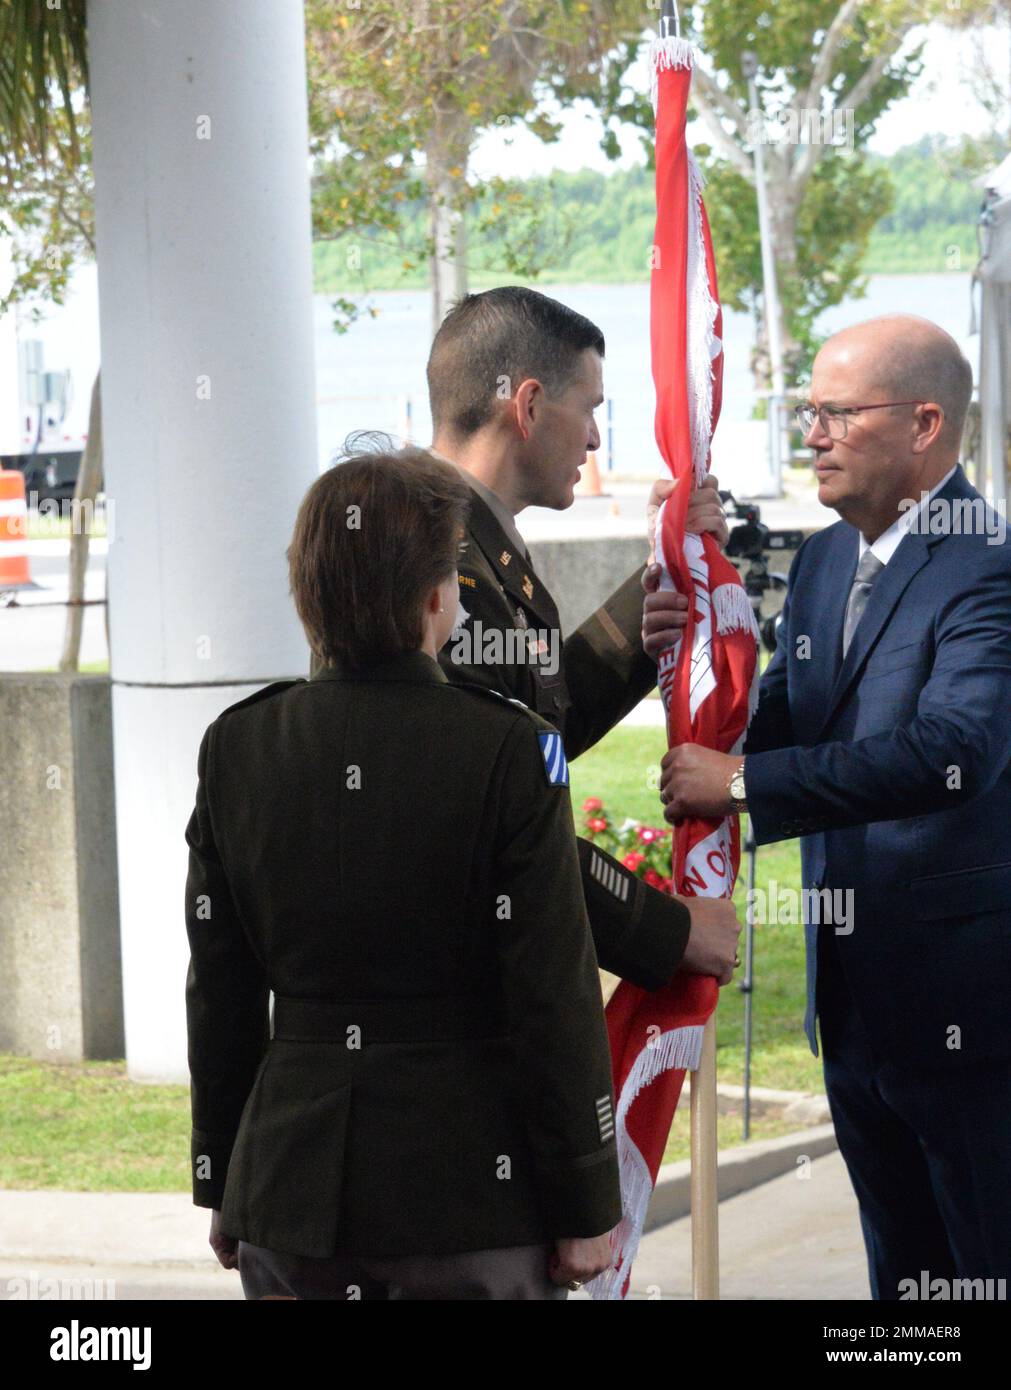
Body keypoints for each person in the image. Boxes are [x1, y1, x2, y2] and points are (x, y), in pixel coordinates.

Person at [185, 443, 624, 1300]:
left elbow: (221, 989)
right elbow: (552, 995)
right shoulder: (504, 748)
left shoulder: (237, 746)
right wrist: (584, 1201)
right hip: (469, 1202)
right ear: (434, 596)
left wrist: (226, 1178)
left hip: (290, 1192)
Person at [658, 313, 1011, 1299]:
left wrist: (742, 788)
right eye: (807, 410)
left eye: (836, 412)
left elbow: (958, 751)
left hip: (964, 1016)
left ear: (926, 423)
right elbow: (767, 732)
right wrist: (681, 644)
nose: (810, 432)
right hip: (851, 1014)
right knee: (900, 1284)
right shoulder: (818, 564)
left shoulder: (988, 563)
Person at [424, 286, 741, 989]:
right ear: (529, 405)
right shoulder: (434, 563)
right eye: (590, 409)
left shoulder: (460, 537)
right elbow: (493, 826)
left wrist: (660, 571)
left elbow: (531, 727)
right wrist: (669, 930)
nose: (596, 440)